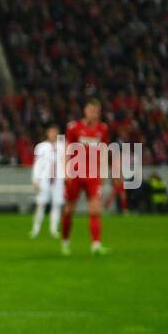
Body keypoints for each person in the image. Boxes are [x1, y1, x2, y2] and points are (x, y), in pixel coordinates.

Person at [60, 98, 111, 256]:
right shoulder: (74, 127)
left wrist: (104, 171)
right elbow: (68, 148)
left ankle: (96, 245)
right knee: (69, 209)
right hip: (75, 173)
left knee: (95, 208)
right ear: (85, 111)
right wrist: (66, 170)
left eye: (97, 111)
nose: (94, 114)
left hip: (93, 174)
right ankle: (65, 242)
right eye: (91, 110)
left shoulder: (103, 129)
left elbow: (103, 149)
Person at [30, 123, 64, 238]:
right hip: (45, 179)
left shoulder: (63, 146)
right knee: (41, 204)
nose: (53, 134)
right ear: (47, 133)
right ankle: (35, 229)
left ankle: (54, 230)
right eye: (51, 132)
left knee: (57, 204)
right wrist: (35, 179)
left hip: (58, 179)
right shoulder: (41, 147)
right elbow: (37, 164)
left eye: (55, 132)